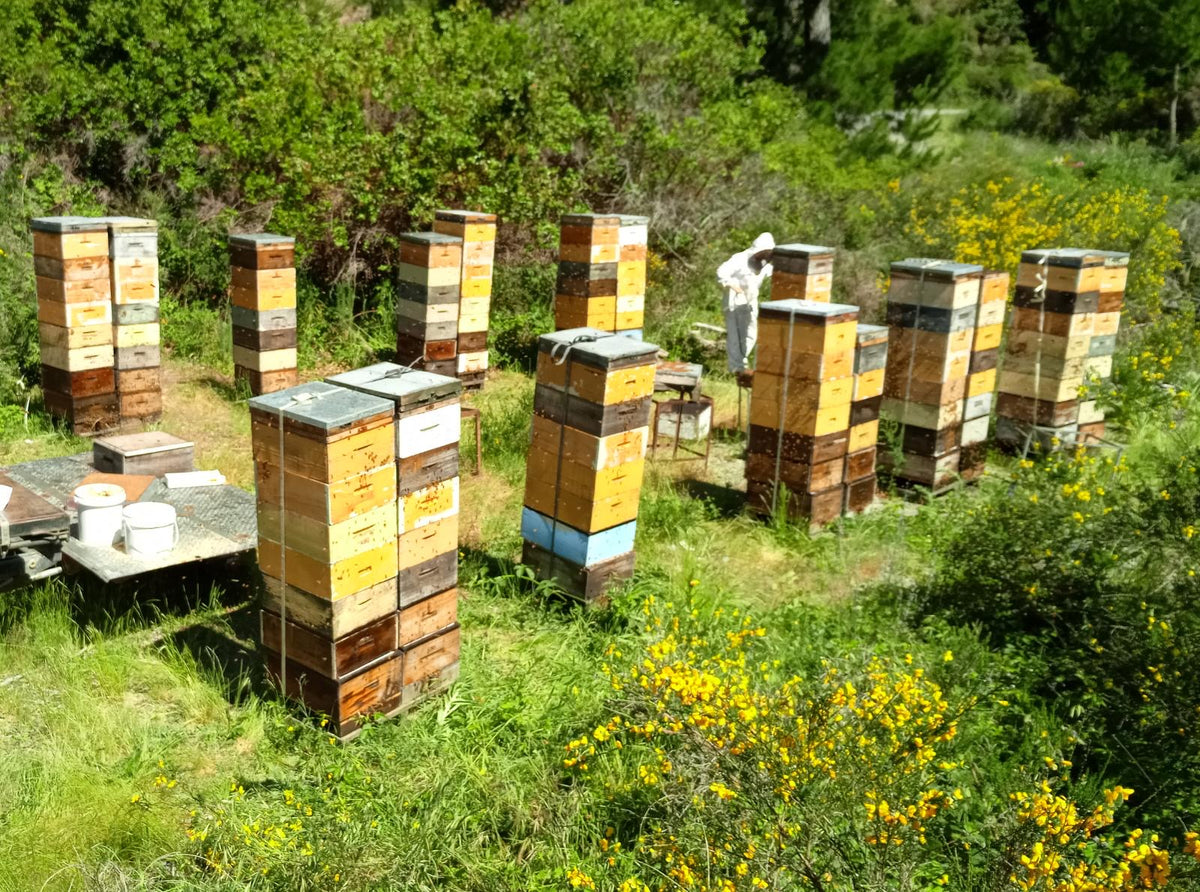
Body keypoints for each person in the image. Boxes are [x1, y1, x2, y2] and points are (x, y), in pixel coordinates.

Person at [716, 232, 774, 374]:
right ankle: (735, 368)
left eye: (768, 254)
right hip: (734, 300)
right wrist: (731, 284)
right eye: (764, 253)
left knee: (751, 333)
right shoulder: (739, 259)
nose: (765, 256)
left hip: (750, 300)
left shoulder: (764, 264)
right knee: (735, 336)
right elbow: (721, 271)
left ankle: (742, 362)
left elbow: (775, 273)